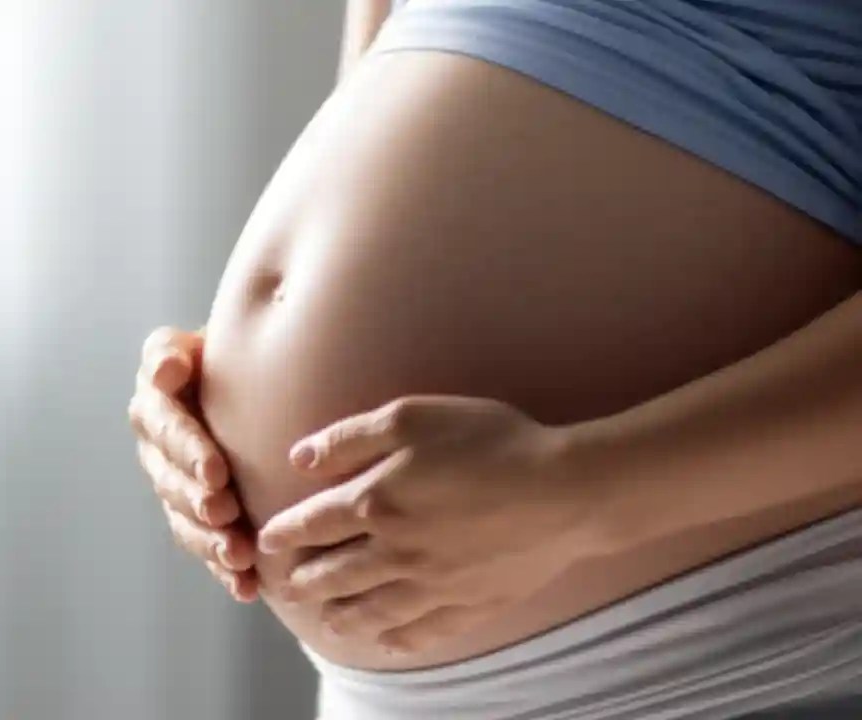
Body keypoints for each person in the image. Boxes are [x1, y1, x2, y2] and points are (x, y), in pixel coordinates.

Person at [128, 1, 862, 717]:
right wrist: (223, 370)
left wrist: (584, 491)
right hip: (389, 674)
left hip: (726, 645)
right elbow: (397, 81)